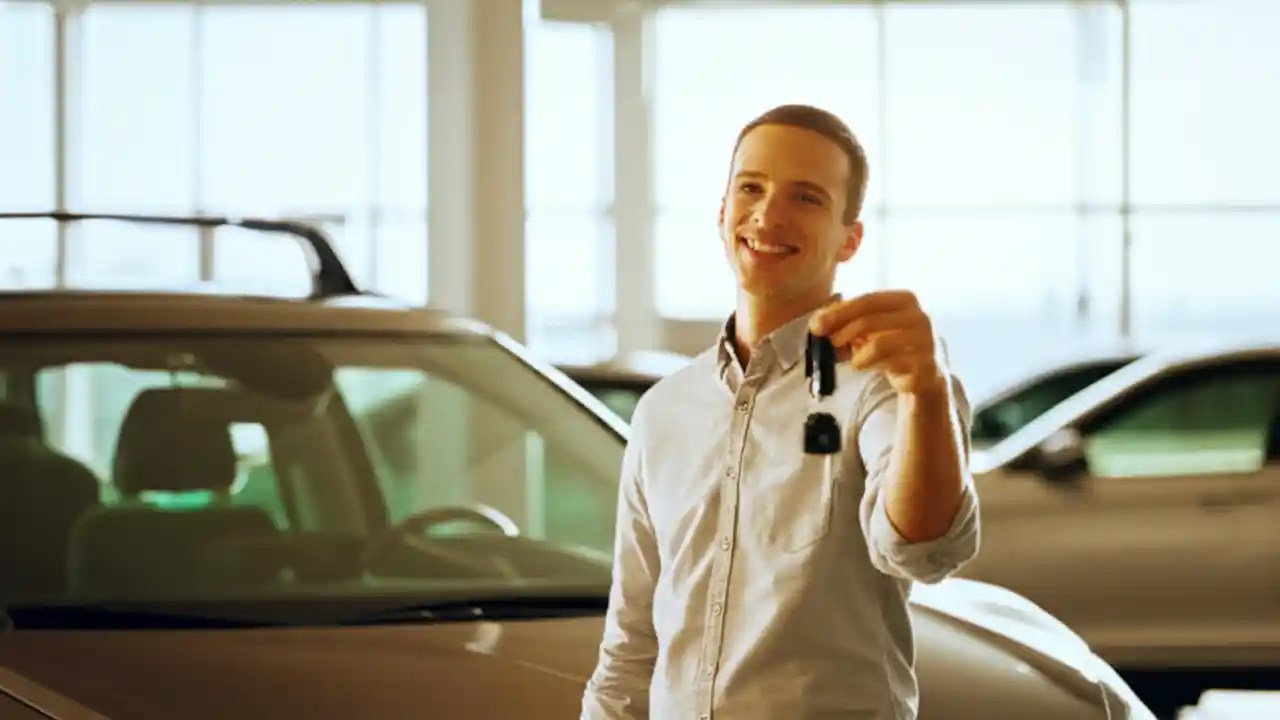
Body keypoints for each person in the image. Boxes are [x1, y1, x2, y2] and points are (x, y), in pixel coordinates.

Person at [580, 104, 980, 720]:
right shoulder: (664, 411)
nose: (769, 214)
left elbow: (923, 552)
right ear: (722, 213)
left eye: (807, 198)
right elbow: (632, 646)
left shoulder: (887, 382)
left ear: (850, 238)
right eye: (751, 188)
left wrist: (925, 394)